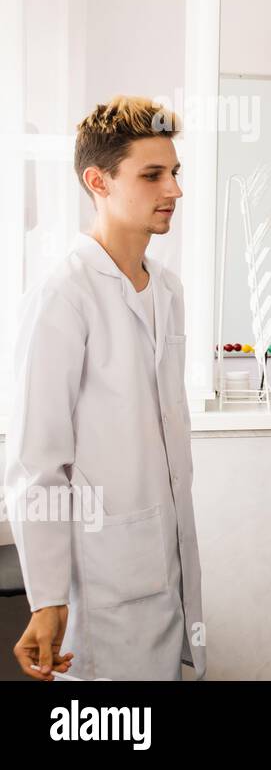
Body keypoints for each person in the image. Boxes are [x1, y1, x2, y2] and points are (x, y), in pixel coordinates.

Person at [6, 96, 205, 680]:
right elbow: (36, 463)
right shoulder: (64, 295)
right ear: (98, 180)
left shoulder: (167, 288)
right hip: (105, 576)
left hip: (166, 563)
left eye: (175, 172)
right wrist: (45, 597)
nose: (174, 189)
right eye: (152, 175)